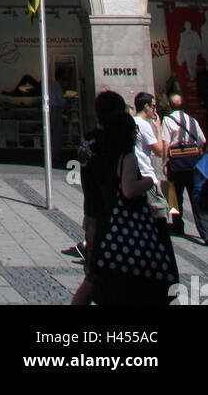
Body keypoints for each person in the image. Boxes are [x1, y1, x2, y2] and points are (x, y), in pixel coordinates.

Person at [90, 110, 178, 306]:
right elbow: (129, 190)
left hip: (106, 221)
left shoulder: (102, 155)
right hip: (127, 224)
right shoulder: (127, 158)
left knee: (95, 282)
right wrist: (147, 183)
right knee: (157, 274)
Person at [70, 90, 126, 306]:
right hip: (114, 216)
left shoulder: (88, 140)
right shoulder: (113, 144)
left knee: (93, 273)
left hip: (92, 211)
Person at [162, 93, 208, 243]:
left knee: (174, 197)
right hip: (192, 165)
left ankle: (177, 225)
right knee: (196, 197)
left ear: (169, 105)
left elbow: (166, 144)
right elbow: (202, 140)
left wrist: (164, 162)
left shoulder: (168, 120)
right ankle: (205, 231)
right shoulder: (193, 121)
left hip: (175, 166)